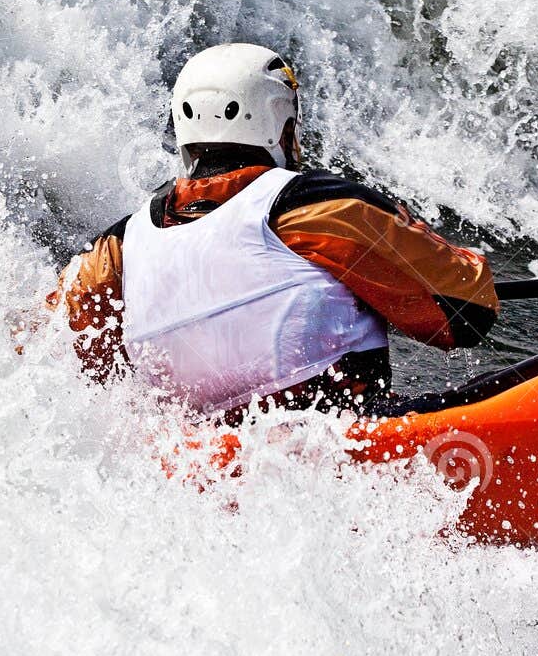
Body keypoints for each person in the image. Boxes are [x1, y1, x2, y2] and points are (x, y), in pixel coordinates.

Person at [52, 43, 499, 419]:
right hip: (344, 443)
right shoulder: (316, 206)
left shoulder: (118, 247)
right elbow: (465, 312)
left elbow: (63, 359)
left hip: (204, 465)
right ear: (278, 127)